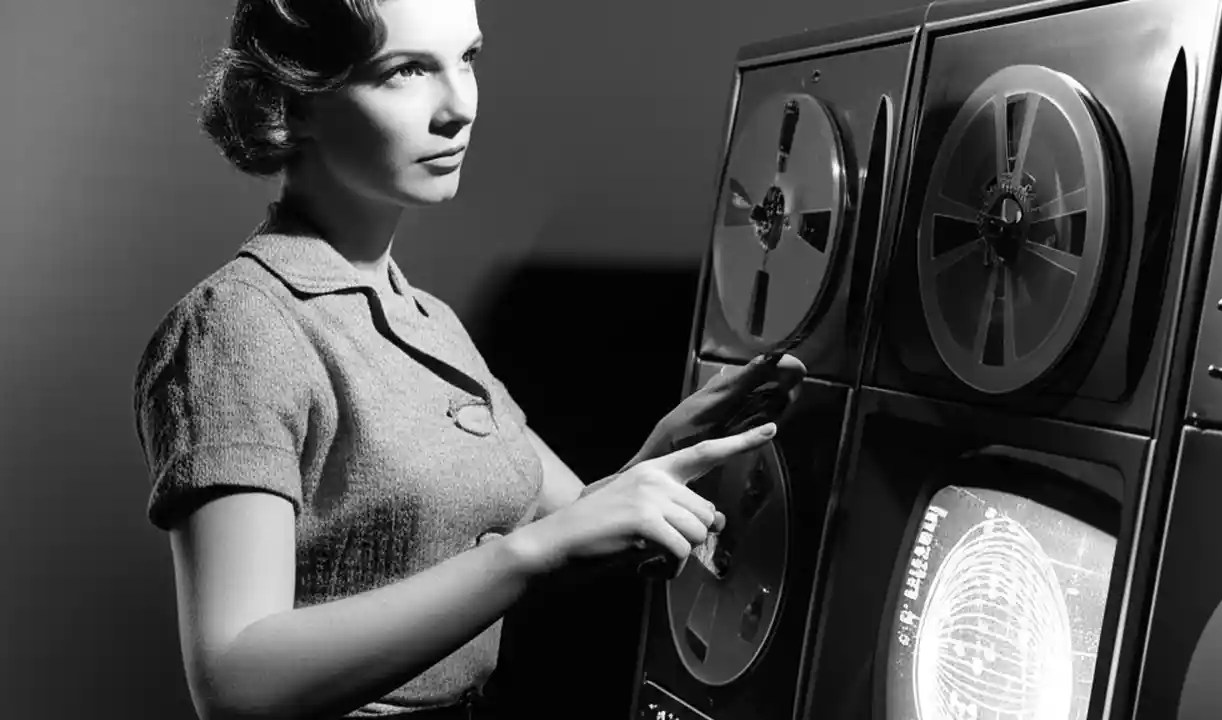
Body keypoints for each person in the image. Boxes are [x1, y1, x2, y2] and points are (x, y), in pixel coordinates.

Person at [131, 0, 806, 718]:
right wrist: (525, 557)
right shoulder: (238, 325)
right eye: (407, 71)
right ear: (292, 103)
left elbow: (575, 524)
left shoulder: (428, 320)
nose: (459, 107)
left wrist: (670, 448)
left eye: (468, 58)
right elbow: (236, 683)